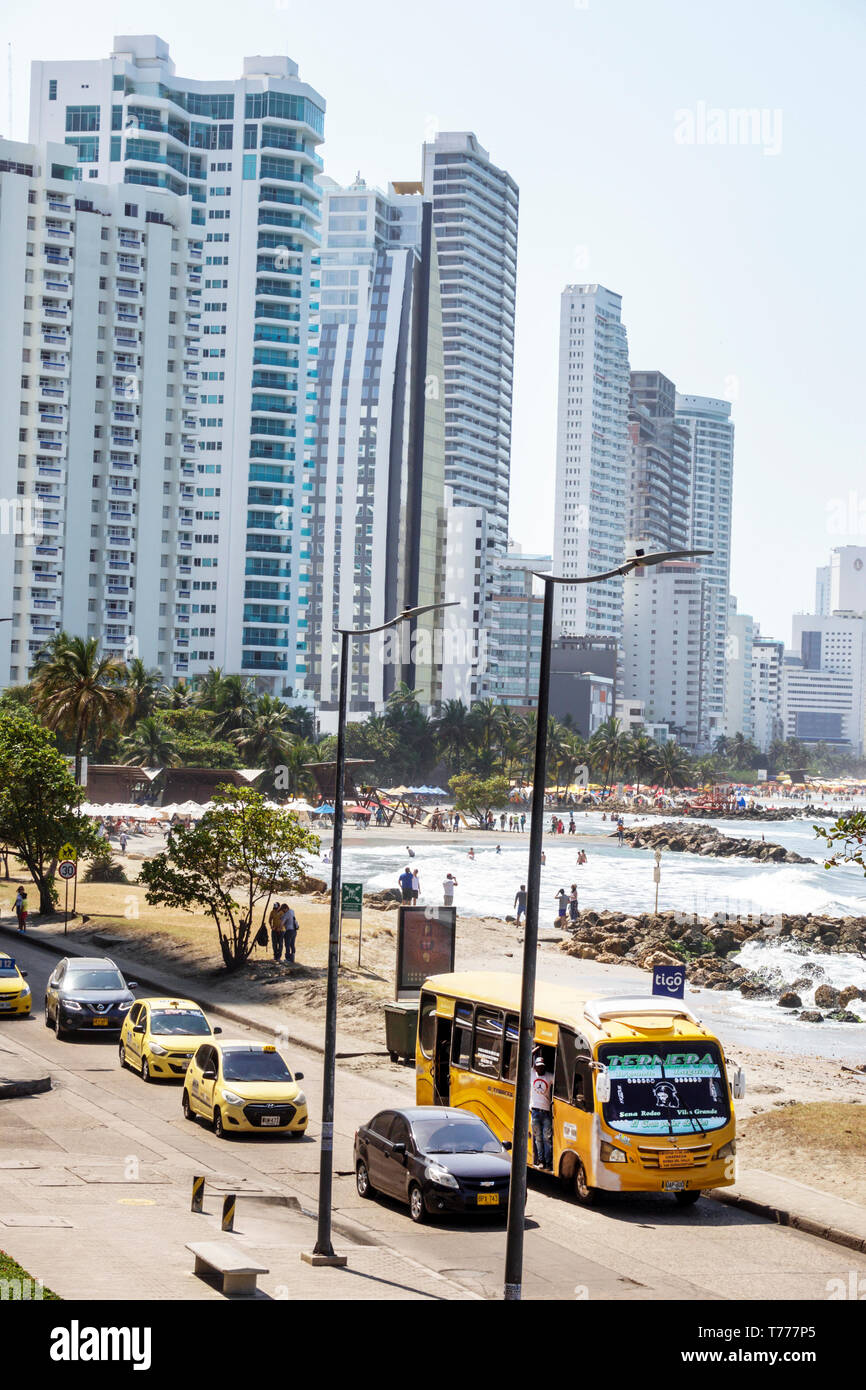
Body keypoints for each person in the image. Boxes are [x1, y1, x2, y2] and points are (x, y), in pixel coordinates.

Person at [530, 1052, 554, 1169]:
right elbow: (524, 1058)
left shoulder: (549, 1076)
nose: (540, 1068)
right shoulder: (531, 1074)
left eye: (542, 1066)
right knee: (538, 1139)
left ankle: (548, 1162)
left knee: (547, 1139)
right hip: (535, 1112)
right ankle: (541, 1161)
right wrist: (534, 1051)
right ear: (535, 1067)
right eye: (538, 1066)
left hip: (546, 1113)